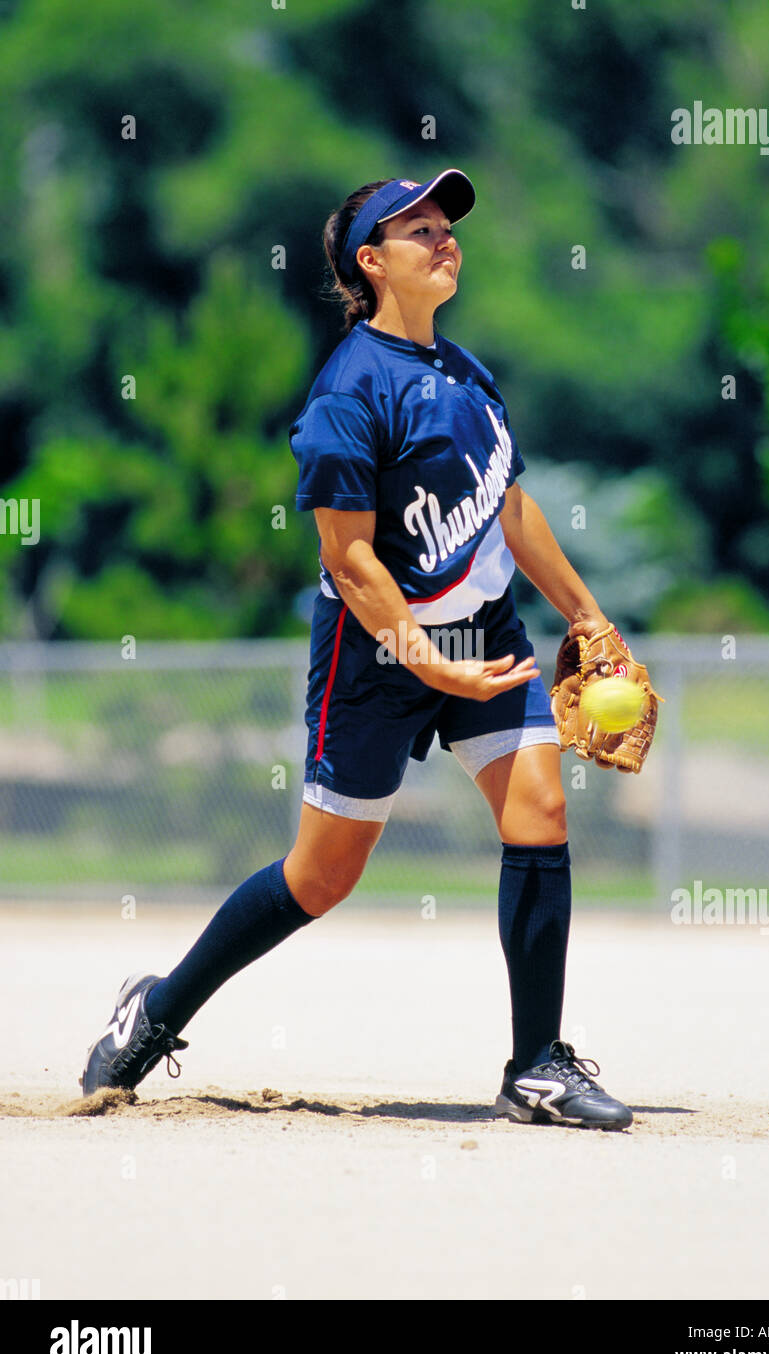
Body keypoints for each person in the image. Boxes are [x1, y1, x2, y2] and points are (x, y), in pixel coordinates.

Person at [80, 169, 633, 1130]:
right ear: (371, 263)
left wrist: (589, 619)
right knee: (321, 878)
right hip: (377, 654)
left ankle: (535, 1064)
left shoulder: (468, 374)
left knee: (540, 812)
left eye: (447, 226)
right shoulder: (347, 394)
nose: (444, 239)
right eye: (417, 229)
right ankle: (159, 1009)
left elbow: (510, 506)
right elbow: (349, 555)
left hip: (486, 636)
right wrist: (428, 662)